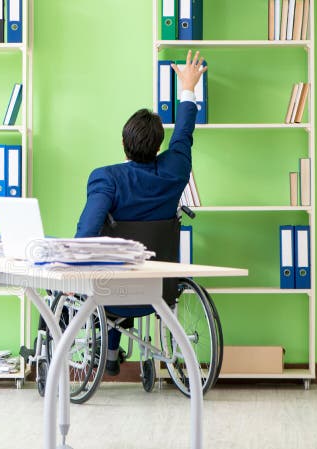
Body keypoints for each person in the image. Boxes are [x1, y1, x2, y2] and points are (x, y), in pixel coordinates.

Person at [74, 50, 207, 376]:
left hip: (110, 289)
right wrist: (187, 88)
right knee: (129, 260)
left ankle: (107, 345)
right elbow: (185, 134)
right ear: (159, 145)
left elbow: (86, 234)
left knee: (105, 256)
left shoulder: (107, 178)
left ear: (124, 142)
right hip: (158, 288)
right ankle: (115, 346)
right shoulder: (175, 169)